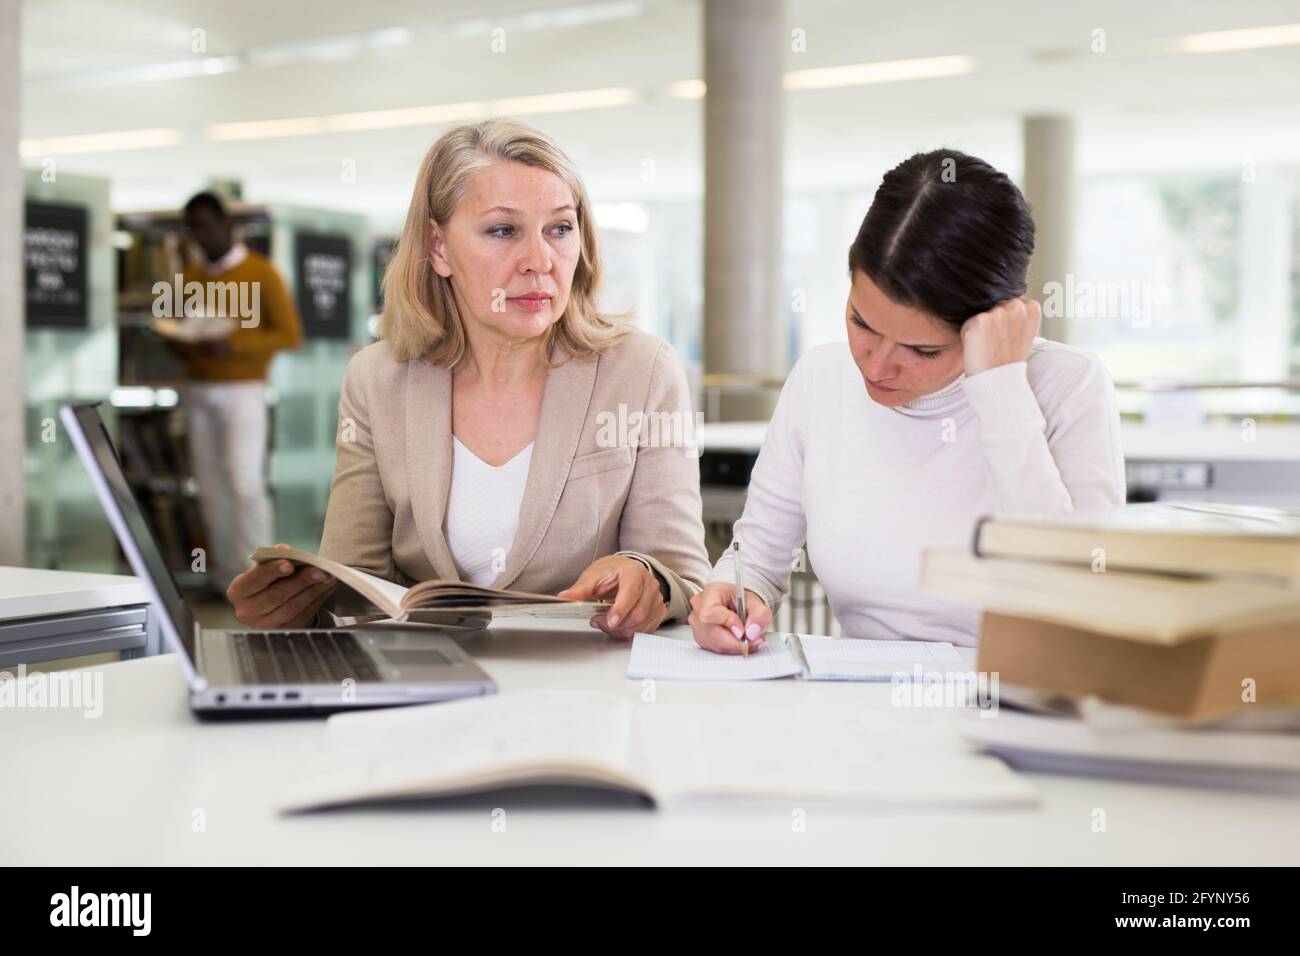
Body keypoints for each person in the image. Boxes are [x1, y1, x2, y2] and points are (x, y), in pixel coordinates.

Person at [226, 119, 711, 638]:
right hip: (429, 693)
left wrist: (649, 580)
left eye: (560, 228)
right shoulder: (376, 379)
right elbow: (355, 588)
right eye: (503, 231)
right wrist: (297, 607)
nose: (540, 261)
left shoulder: (643, 371)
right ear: (438, 248)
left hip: (586, 694)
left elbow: (684, 577)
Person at [689, 149, 1126, 653]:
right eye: (861, 323)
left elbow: (1076, 604)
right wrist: (733, 594)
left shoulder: (1066, 386)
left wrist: (1001, 388)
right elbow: (758, 557)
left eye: (922, 350)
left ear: (997, 321)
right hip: (858, 705)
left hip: (1014, 706)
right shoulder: (820, 378)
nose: (875, 367)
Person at [173, 191, 304, 593]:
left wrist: (234, 345)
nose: (201, 235)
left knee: (245, 483)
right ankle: (227, 576)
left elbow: (290, 334)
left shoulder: (262, 273)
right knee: (210, 487)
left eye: (208, 225)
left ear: (227, 225)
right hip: (199, 389)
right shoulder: (189, 279)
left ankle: (261, 578)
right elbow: (177, 333)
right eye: (194, 228)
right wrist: (179, 341)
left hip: (244, 389)